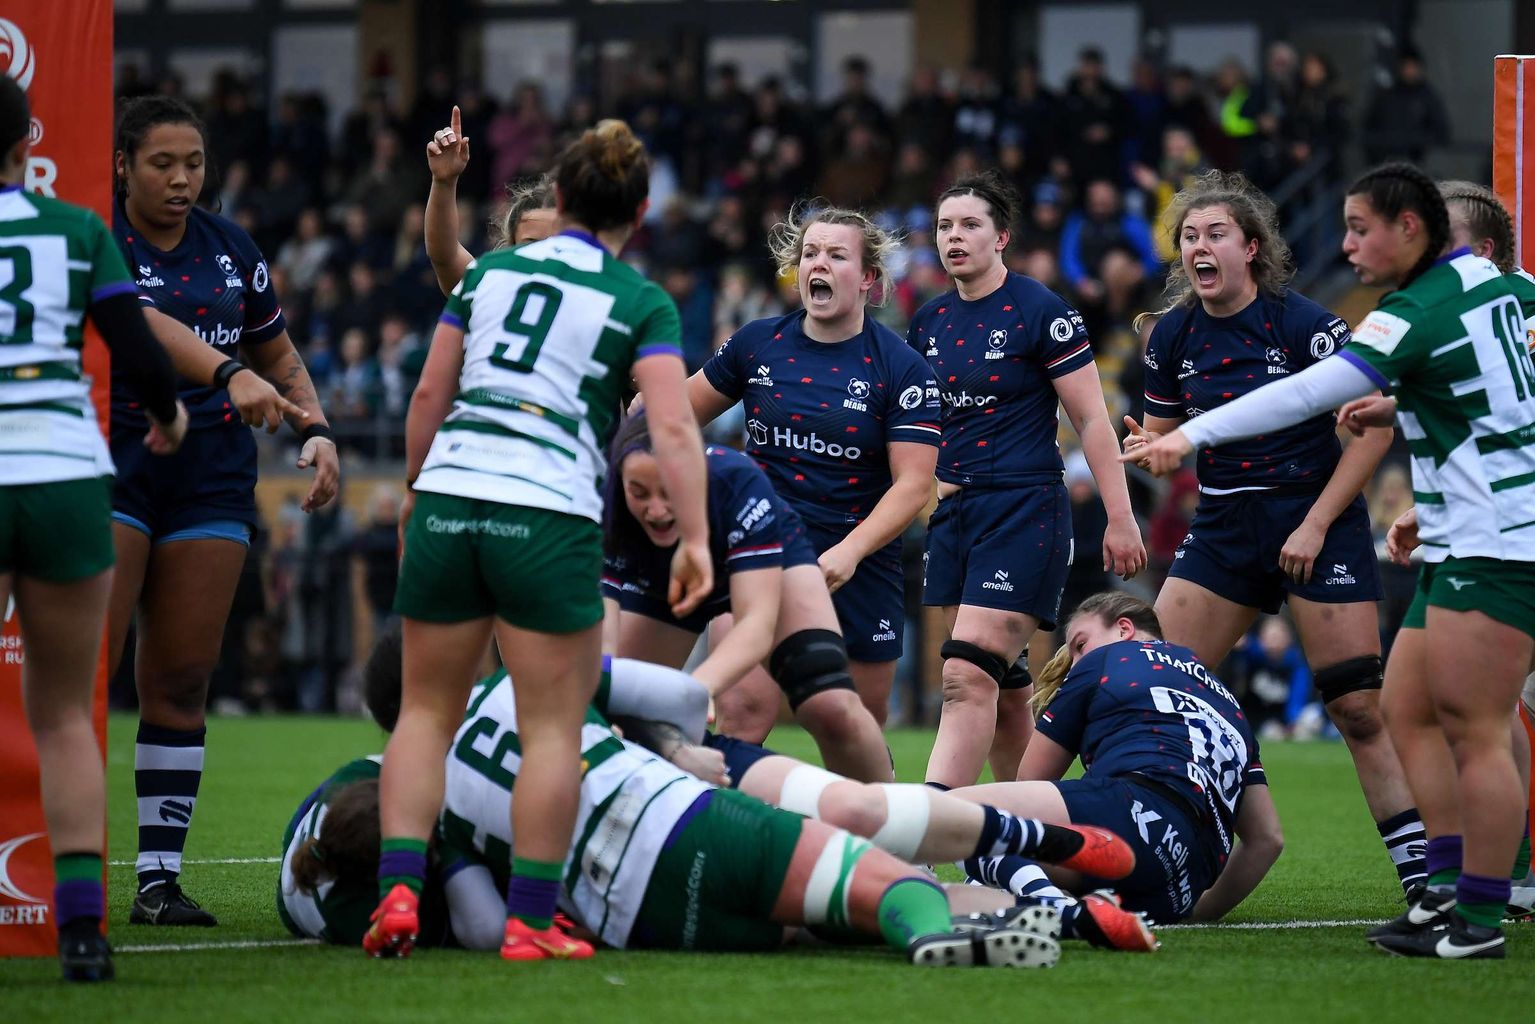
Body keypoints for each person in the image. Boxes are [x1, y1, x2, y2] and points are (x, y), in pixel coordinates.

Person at [1130, 163, 1535, 958]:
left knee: (1471, 726)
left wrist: (1191, 434)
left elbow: (1304, 394)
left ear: (1412, 232)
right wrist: (1420, 462)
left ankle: (1484, 910)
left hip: (1498, 539)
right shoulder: (1498, 288)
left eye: (1358, 228)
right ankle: (1442, 893)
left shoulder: (1408, 312)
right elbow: (1492, 396)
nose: (1343, 244)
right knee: (1410, 709)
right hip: (1460, 531)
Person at [370, 120, 712, 963]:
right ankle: (528, 918)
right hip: (546, 508)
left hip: (453, 493)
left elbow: (426, 396)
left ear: (555, 200)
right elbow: (670, 425)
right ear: (637, 211)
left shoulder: (487, 272)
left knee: (422, 712)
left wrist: (418, 493)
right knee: (551, 729)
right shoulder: (639, 299)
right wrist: (696, 536)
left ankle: (399, 898)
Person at [282, 623, 1133, 954]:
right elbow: (685, 697)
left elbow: (474, 921)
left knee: (833, 884)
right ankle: (1029, 874)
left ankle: (1039, 889)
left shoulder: (415, 792)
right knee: (870, 848)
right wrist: (647, 744)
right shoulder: (526, 681)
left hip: (634, 917)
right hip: (676, 801)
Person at [1120, 169, 1424, 897]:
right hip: (1224, 525)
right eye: (1188, 236)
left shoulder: (1304, 324)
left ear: (1250, 247)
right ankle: (1151, 861)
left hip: (1314, 520)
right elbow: (1165, 437)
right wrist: (1144, 443)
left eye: (1214, 233)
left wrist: (1316, 525)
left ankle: (1424, 879)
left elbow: (1368, 434)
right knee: (1154, 693)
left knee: (1355, 706)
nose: (1199, 245)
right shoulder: (1171, 336)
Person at [110, 95, 339, 927]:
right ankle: (30, 865)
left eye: (193, 164)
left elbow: (276, 355)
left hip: (210, 480)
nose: (180, 180)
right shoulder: (96, 239)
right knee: (83, 678)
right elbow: (141, 325)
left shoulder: (232, 249)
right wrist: (225, 372)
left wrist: (315, 431)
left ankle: (157, 883)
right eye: (162, 164)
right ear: (123, 167)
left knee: (180, 679)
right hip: (114, 468)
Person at [0, 78, 186, 982]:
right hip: (67, 469)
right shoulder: (76, 228)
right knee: (68, 712)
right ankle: (81, 933)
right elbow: (135, 343)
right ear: (21, 142)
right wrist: (167, 415)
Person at [908, 171, 1145, 789]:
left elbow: (1092, 418)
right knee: (1009, 698)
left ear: (1002, 236)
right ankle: (1044, 842)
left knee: (964, 676)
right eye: (944, 226)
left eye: (970, 225)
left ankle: (929, 833)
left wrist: (1121, 517)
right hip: (955, 519)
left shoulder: (1041, 310)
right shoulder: (928, 322)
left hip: (1024, 512)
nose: (953, 237)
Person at [684, 204, 941, 735]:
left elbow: (915, 484)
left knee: (855, 729)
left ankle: (861, 818)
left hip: (858, 564)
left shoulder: (901, 367)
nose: (818, 263)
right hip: (761, 548)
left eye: (836, 255)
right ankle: (736, 818)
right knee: (742, 711)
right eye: (810, 253)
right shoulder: (758, 342)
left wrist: (848, 552)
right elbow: (668, 417)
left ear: (868, 278)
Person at [955, 592, 1283, 927]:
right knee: (975, 890)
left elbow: (1030, 779)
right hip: (1177, 889)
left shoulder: (1111, 659)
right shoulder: (1231, 706)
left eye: (1080, 645)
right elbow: (1267, 840)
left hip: (1133, 817)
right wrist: (1199, 912)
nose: (1076, 663)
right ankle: (1055, 902)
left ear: (1124, 629)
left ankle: (1063, 911)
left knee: (958, 816)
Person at [604, 415, 892, 782]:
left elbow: (756, 624)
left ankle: (892, 817)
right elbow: (601, 646)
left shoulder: (736, 480)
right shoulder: (602, 500)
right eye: (640, 493)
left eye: (669, 491)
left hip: (758, 563)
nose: (657, 510)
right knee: (618, 708)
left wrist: (693, 690)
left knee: (830, 704)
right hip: (662, 580)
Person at [421, 105, 558, 296]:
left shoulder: (591, 301)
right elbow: (445, 255)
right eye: (531, 244)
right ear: (510, 244)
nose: (541, 255)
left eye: (553, 244)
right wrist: (443, 181)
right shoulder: (493, 289)